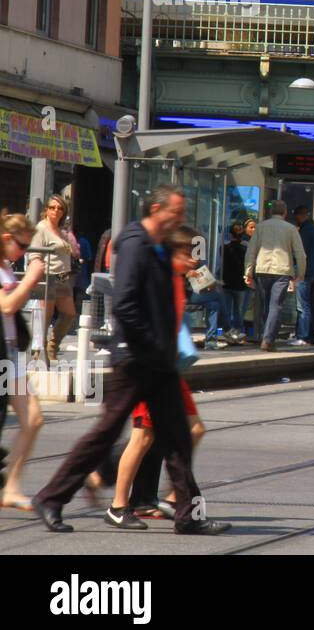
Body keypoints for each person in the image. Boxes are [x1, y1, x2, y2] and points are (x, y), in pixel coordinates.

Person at [32, 184, 229, 535]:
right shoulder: (137, 245)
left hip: (159, 360)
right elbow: (124, 305)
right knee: (105, 434)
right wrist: (153, 344)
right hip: (136, 358)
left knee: (178, 439)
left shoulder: (156, 247)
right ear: (157, 209)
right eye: (176, 212)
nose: (180, 219)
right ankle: (51, 497)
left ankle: (188, 515)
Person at [106, 226, 209, 530]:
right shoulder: (159, 282)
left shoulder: (176, 282)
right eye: (187, 255)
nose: (193, 261)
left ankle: (170, 498)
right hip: (149, 367)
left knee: (195, 429)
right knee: (143, 436)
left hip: (168, 368)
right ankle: (118, 504)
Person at [0, 210, 43, 510]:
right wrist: (31, 279)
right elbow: (6, 306)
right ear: (6, 238)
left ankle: (12, 488)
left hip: (11, 352)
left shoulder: (5, 266)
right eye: (22, 245)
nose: (24, 252)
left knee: (33, 419)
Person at [243, 200, 306, 352]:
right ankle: (268, 338)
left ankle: (268, 336)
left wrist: (248, 272)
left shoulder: (260, 227)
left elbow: (251, 251)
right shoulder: (291, 229)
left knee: (266, 306)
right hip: (282, 271)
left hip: (262, 270)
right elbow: (301, 254)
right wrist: (300, 274)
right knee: (276, 305)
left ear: (271, 212)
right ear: (284, 213)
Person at [31, 194, 80, 362]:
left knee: (69, 314)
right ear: (46, 210)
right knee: (45, 316)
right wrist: (37, 274)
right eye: (52, 207)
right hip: (48, 276)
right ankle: (40, 351)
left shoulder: (61, 230)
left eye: (60, 208)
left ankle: (52, 346)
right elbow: (35, 254)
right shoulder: (41, 228)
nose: (56, 211)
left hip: (63, 277)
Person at [292, 205, 314, 347]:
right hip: (313, 271)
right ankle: (311, 335)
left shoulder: (305, 230)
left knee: (303, 306)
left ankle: (303, 336)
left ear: (301, 215)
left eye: (296, 216)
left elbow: (301, 253)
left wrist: (299, 272)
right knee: (309, 304)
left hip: (304, 272)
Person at [220, 222, 250, 344]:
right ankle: (238, 332)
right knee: (238, 310)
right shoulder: (245, 249)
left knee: (226, 310)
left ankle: (225, 332)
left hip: (226, 283)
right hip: (240, 284)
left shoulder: (224, 248)